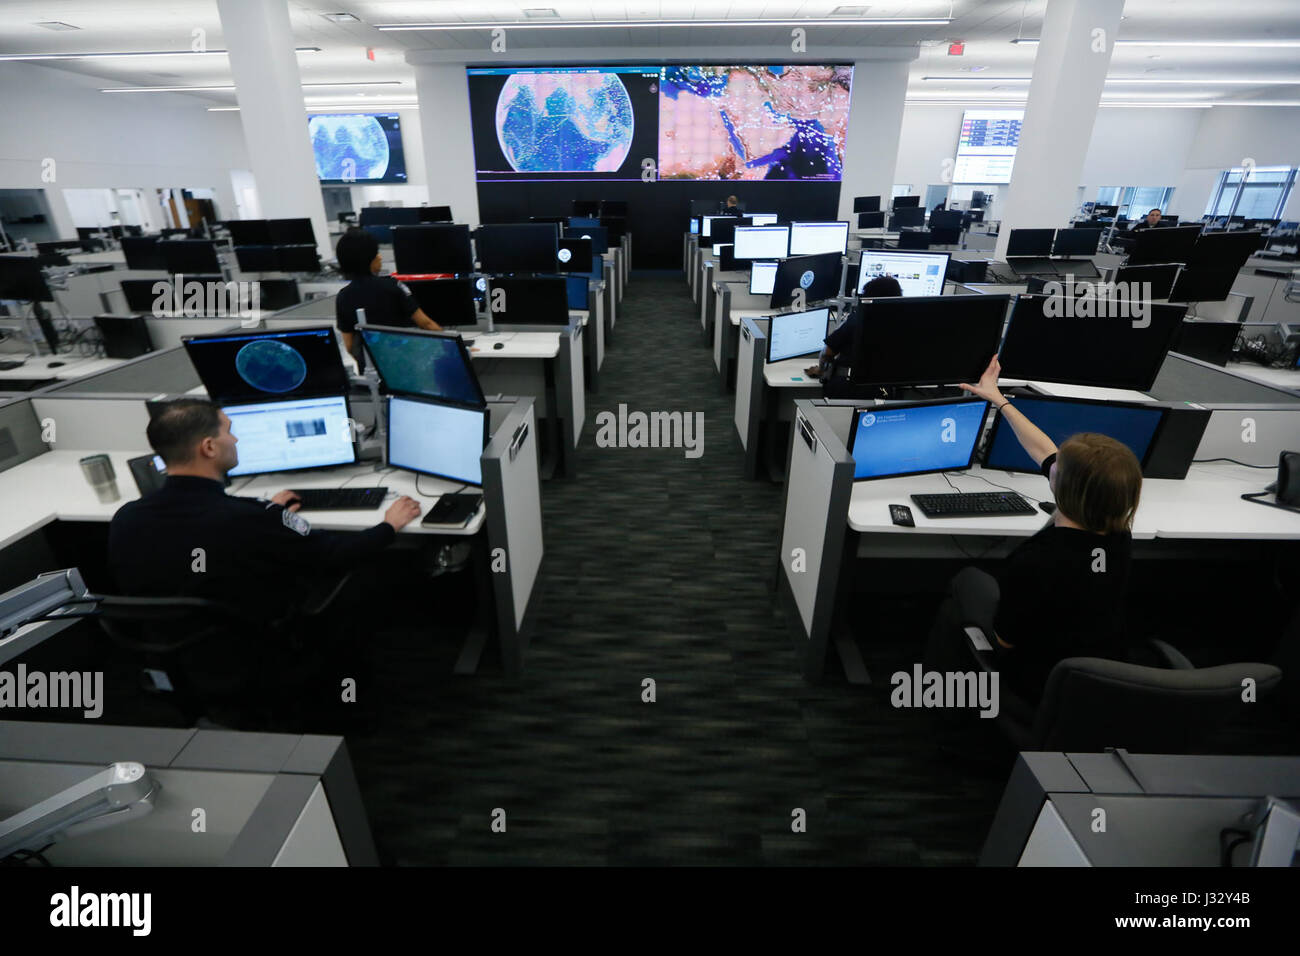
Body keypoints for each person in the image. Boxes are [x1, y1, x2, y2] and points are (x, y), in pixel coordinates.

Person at [922, 354, 1143, 703]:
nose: (1050, 465)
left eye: (1057, 469)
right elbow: (1046, 452)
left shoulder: (1040, 559)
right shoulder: (1118, 533)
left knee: (967, 581)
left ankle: (944, 697)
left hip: (1034, 683)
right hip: (1097, 676)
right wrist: (998, 400)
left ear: (1062, 488)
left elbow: (1005, 640)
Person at [109, 398, 422, 621]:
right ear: (209, 447)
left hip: (178, 641)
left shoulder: (127, 517)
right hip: (256, 637)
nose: (236, 438)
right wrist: (388, 526)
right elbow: (335, 553)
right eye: (228, 430)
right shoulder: (252, 517)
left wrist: (271, 515)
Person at [333, 227, 442, 364]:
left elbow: (349, 346)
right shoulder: (393, 286)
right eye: (376, 254)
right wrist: (453, 348)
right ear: (369, 260)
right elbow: (426, 324)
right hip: (403, 365)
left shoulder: (343, 297)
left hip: (371, 371)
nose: (380, 257)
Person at [804, 275, 902, 379]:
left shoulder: (855, 321)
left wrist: (821, 370)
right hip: (886, 386)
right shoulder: (904, 324)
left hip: (850, 386)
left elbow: (827, 353)